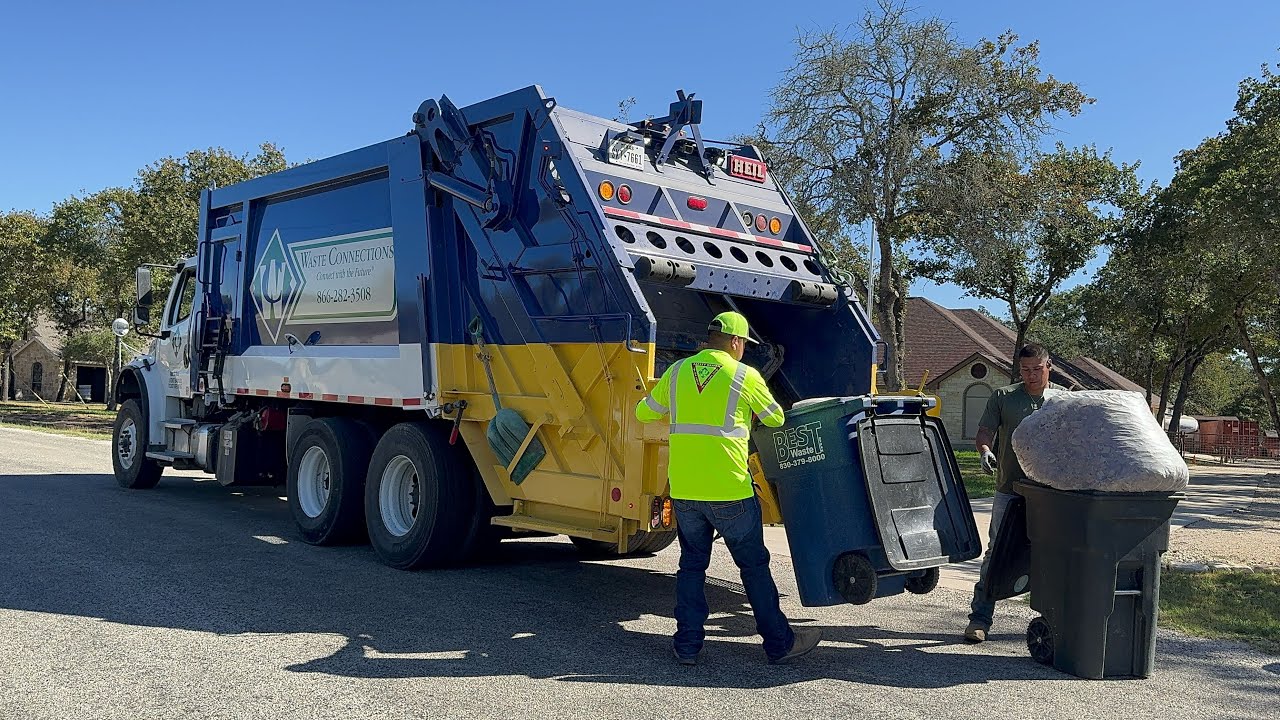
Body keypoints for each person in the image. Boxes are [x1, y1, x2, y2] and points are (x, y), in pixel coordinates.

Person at [635, 311, 821, 666]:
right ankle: (779, 643)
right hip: (730, 491)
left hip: (687, 491)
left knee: (691, 567)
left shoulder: (675, 373)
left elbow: (646, 413)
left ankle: (687, 646)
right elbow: (775, 418)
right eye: (744, 345)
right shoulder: (743, 375)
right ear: (736, 342)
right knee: (752, 567)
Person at [965, 343, 1067, 643]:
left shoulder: (1064, 400)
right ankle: (980, 618)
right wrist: (985, 450)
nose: (1031, 376)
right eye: (1025, 370)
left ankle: (1053, 623)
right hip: (1010, 489)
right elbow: (985, 431)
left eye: (1037, 369)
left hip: (1050, 492)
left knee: (1052, 554)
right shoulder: (1004, 397)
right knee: (997, 552)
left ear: (1048, 366)